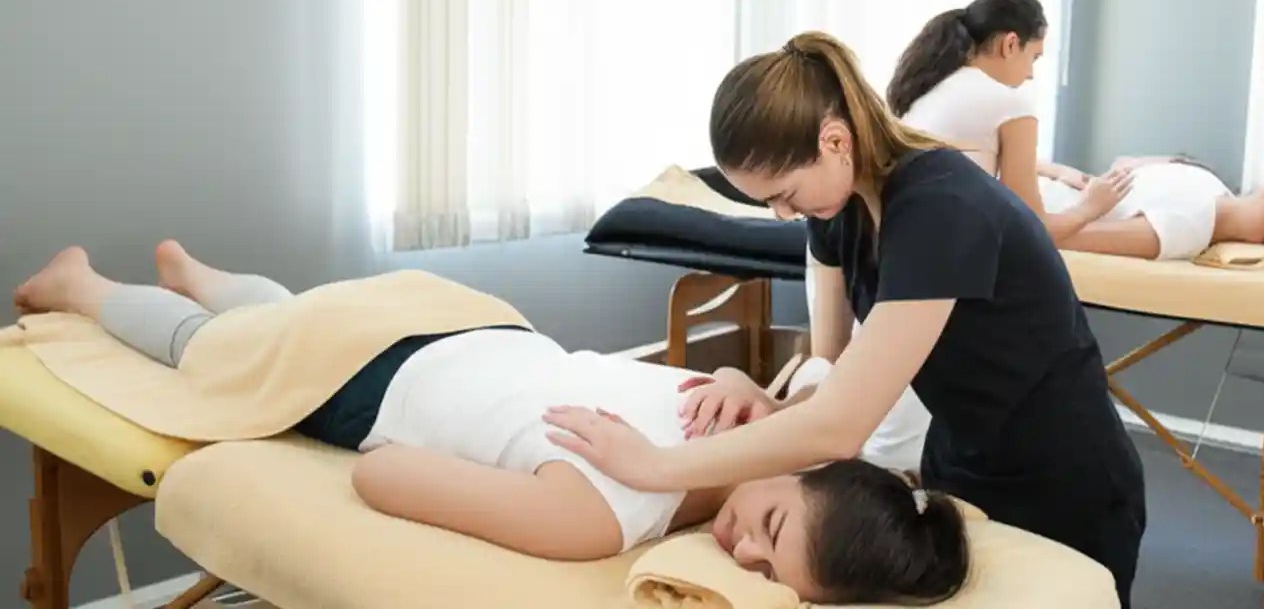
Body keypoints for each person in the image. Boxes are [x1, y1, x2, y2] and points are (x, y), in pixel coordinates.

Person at [541, 31, 1147, 608]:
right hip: (962, 464)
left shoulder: (942, 209)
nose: (780, 215)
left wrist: (654, 467)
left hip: (1066, 477)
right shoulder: (837, 216)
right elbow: (835, 381)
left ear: (835, 140)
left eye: (784, 192)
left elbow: (841, 429)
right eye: (766, 202)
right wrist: (770, 407)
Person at [13, 241, 970, 606]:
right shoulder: (600, 513)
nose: (740, 551)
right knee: (212, 355)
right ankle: (83, 284)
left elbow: (795, 404)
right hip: (374, 378)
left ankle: (208, 277)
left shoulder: (736, 418)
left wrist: (732, 378)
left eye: (765, 574)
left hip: (464, 316)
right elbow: (378, 477)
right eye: (769, 532)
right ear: (806, 469)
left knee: (289, 317)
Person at [884, 0, 1142, 253]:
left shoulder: (928, 90)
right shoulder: (1009, 103)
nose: (1031, 74)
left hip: (903, 238)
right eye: (1034, 57)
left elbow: (962, 159)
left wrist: (1056, 171)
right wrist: (1091, 206)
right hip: (948, 252)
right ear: (1010, 44)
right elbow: (1032, 230)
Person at [1035, 155, 1264, 259]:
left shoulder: (1189, 225)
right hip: (1026, 181)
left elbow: (1053, 238)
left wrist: (1085, 208)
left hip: (1020, 205)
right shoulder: (1205, 179)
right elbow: (1111, 171)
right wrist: (1058, 171)